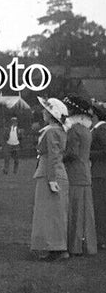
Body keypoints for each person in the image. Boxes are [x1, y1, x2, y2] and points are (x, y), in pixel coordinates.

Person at [31, 98, 70, 261]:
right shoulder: (58, 130)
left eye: (46, 110)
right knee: (54, 213)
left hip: (50, 174)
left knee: (50, 213)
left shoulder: (52, 131)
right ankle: (53, 246)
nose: (43, 112)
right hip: (53, 172)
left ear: (52, 114)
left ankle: (54, 247)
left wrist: (52, 179)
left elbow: (54, 155)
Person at [62, 95, 97, 256]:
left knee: (75, 211)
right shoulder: (86, 130)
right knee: (86, 212)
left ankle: (74, 246)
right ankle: (88, 244)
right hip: (85, 173)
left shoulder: (74, 130)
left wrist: (59, 156)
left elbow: (72, 153)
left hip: (74, 173)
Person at [91, 102, 106, 250]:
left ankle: (101, 238)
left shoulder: (101, 129)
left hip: (100, 173)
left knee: (99, 206)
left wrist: (87, 154)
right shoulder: (98, 129)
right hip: (98, 172)